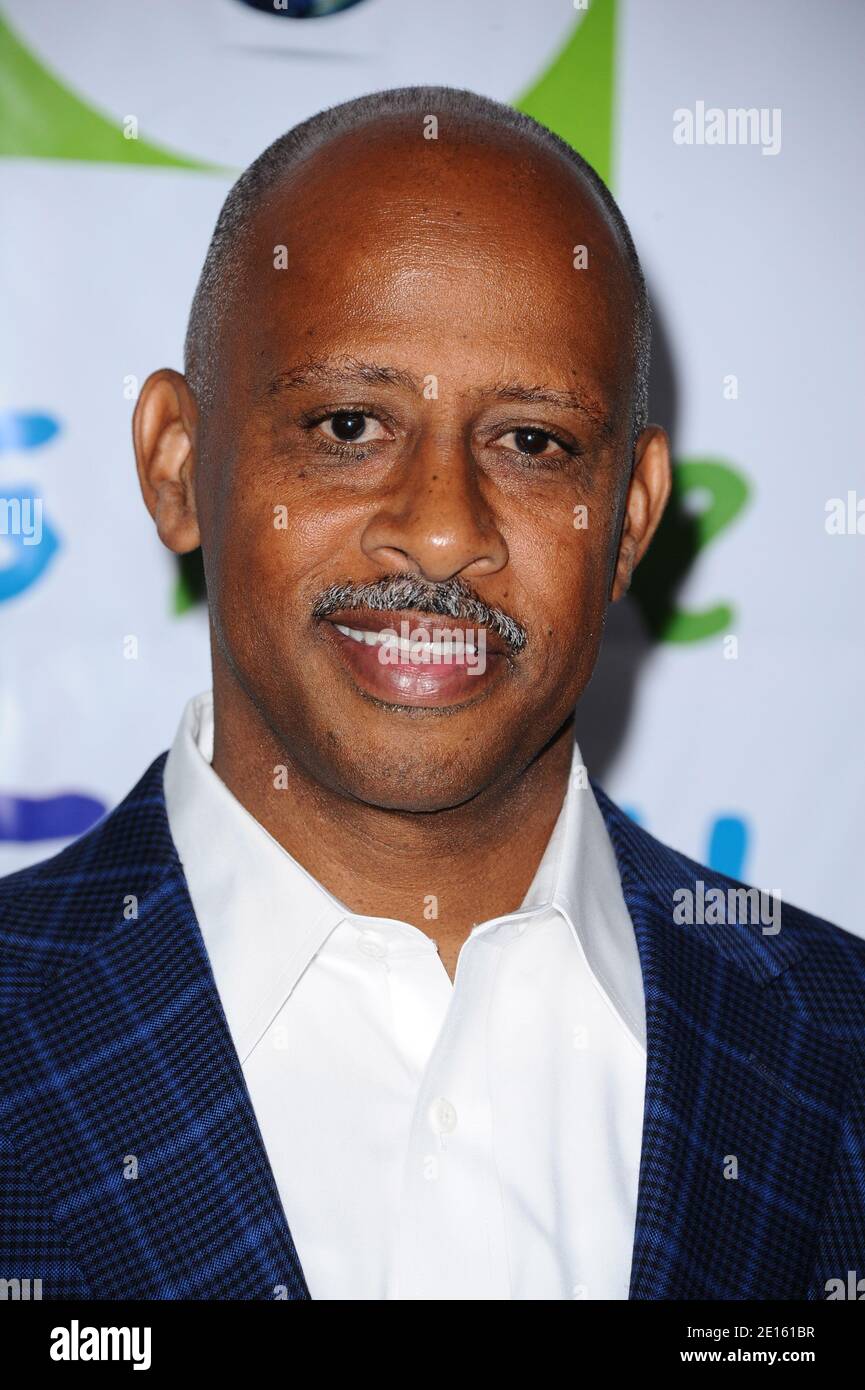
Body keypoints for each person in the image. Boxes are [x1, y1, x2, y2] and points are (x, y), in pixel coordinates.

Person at [0, 87, 862, 1303]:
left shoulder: (838, 1047)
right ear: (178, 467)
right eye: (349, 424)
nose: (445, 530)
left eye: (533, 443)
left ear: (629, 519)